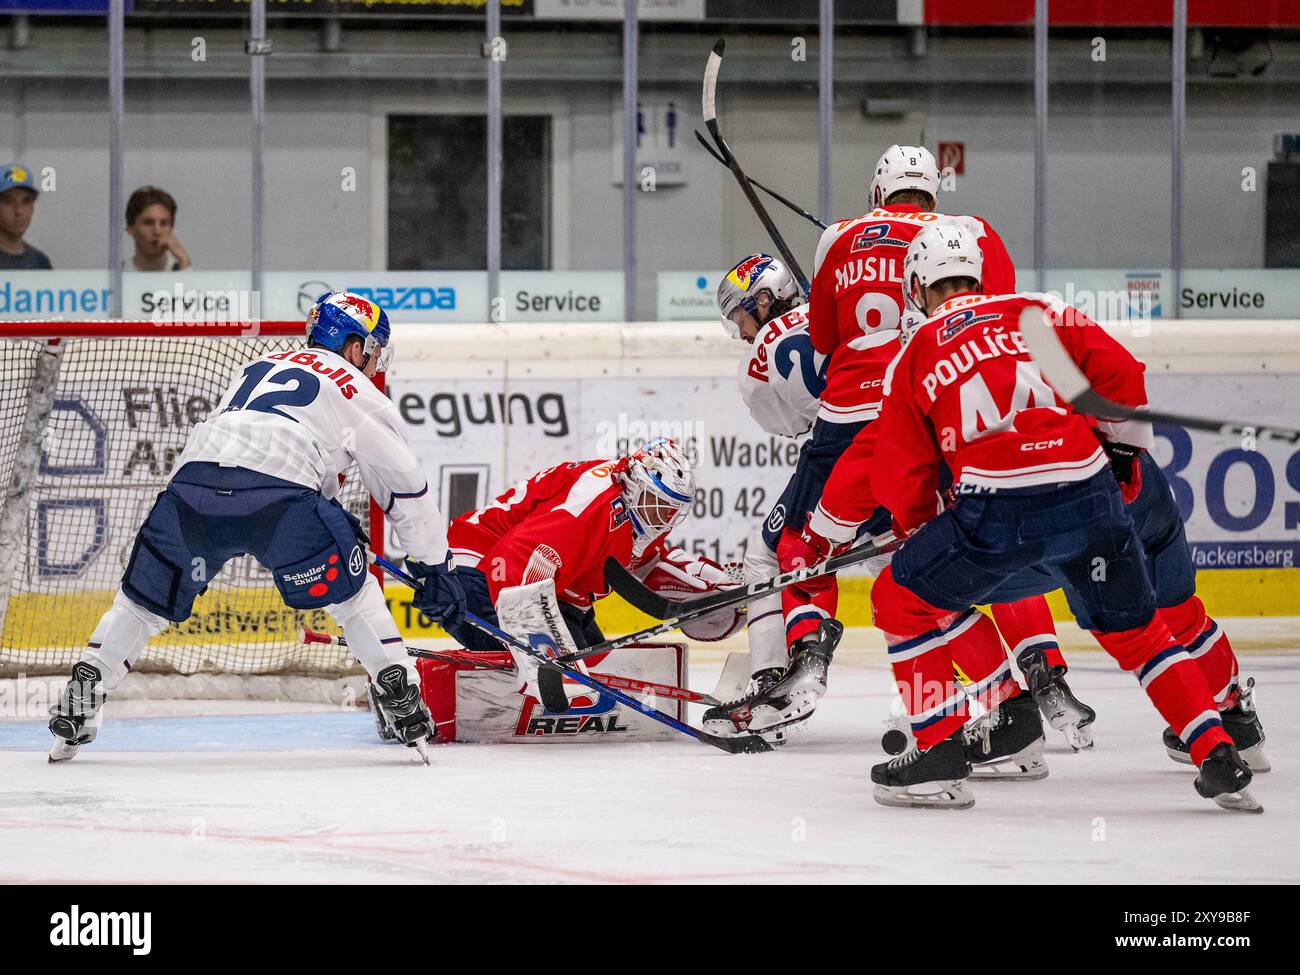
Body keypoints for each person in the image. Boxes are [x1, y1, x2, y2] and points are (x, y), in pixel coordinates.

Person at [863, 224, 1260, 811]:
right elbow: (1118, 380)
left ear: (918, 288)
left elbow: (903, 476)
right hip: (1089, 495)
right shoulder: (1033, 314)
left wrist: (923, 525)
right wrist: (1122, 457)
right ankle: (1216, 748)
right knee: (1140, 632)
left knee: (899, 599)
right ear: (978, 274)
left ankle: (938, 753)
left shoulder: (917, 351)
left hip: (996, 514)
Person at [47, 291, 466, 762]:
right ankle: (401, 695)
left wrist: (325, 505)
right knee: (353, 599)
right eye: (372, 352)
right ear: (355, 347)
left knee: (140, 605)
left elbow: (262, 443)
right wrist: (434, 566)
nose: (371, 364)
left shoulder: (259, 365)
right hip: (281, 504)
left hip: (191, 490)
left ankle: (86, 686)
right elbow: (404, 485)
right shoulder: (355, 387)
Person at [125, 185, 192, 271]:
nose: (157, 231)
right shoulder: (120, 275)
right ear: (131, 229)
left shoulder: (178, 273)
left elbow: (179, 285)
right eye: (148, 223)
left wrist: (184, 263)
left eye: (164, 223)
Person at [0, 163, 52, 270]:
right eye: (9, 201)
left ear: (32, 208)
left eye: (26, 201)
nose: (19, 211)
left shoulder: (40, 262)